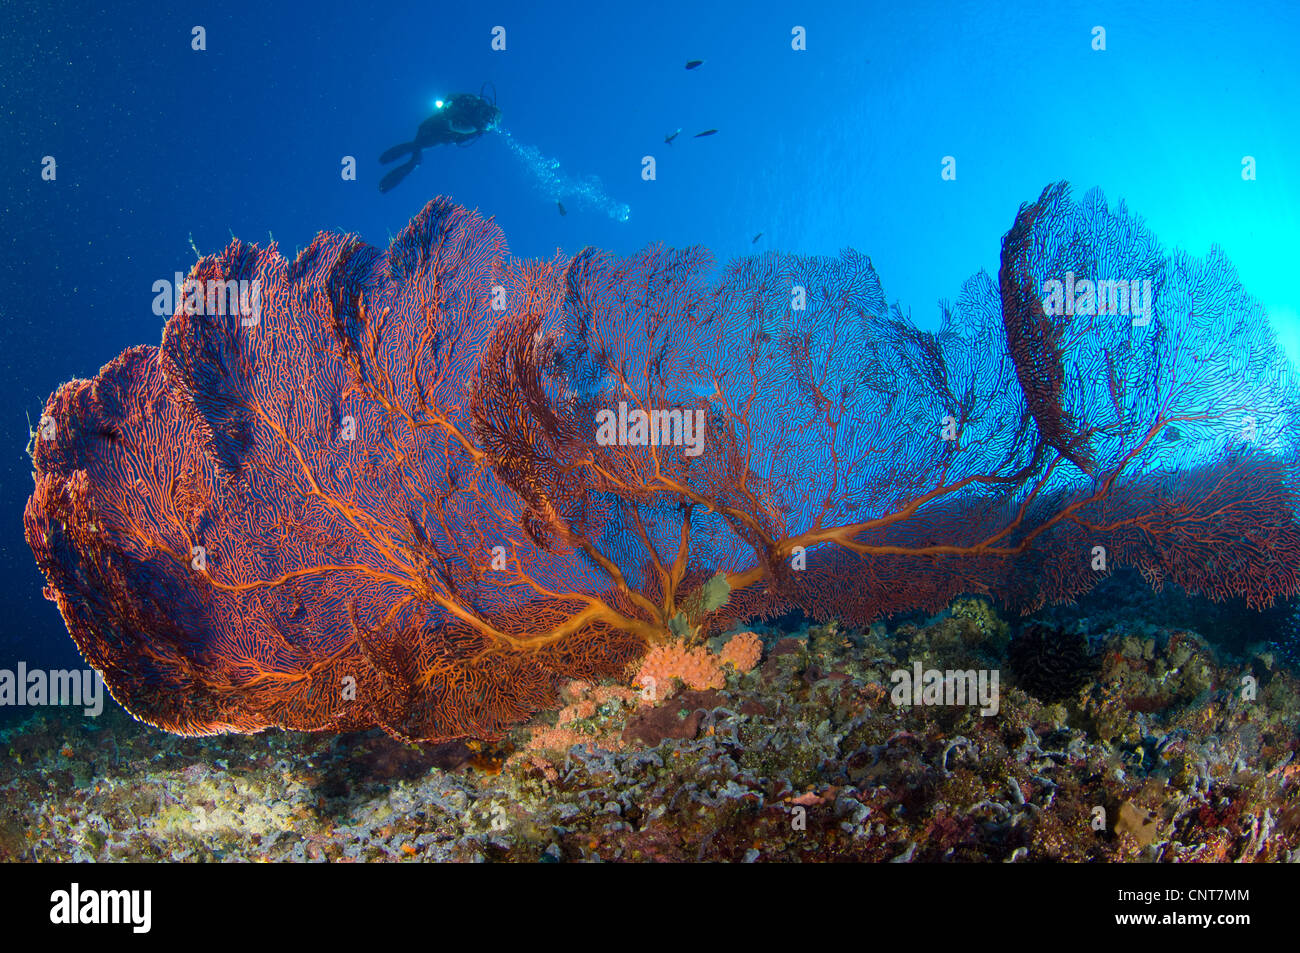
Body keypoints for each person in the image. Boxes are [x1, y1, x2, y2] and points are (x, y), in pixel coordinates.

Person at [378, 93, 501, 193]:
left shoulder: (474, 107)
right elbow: (454, 129)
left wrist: (448, 110)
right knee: (416, 155)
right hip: (436, 133)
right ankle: (386, 178)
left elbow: (451, 98)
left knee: (415, 149)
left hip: (432, 126)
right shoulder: (473, 125)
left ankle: (386, 162)